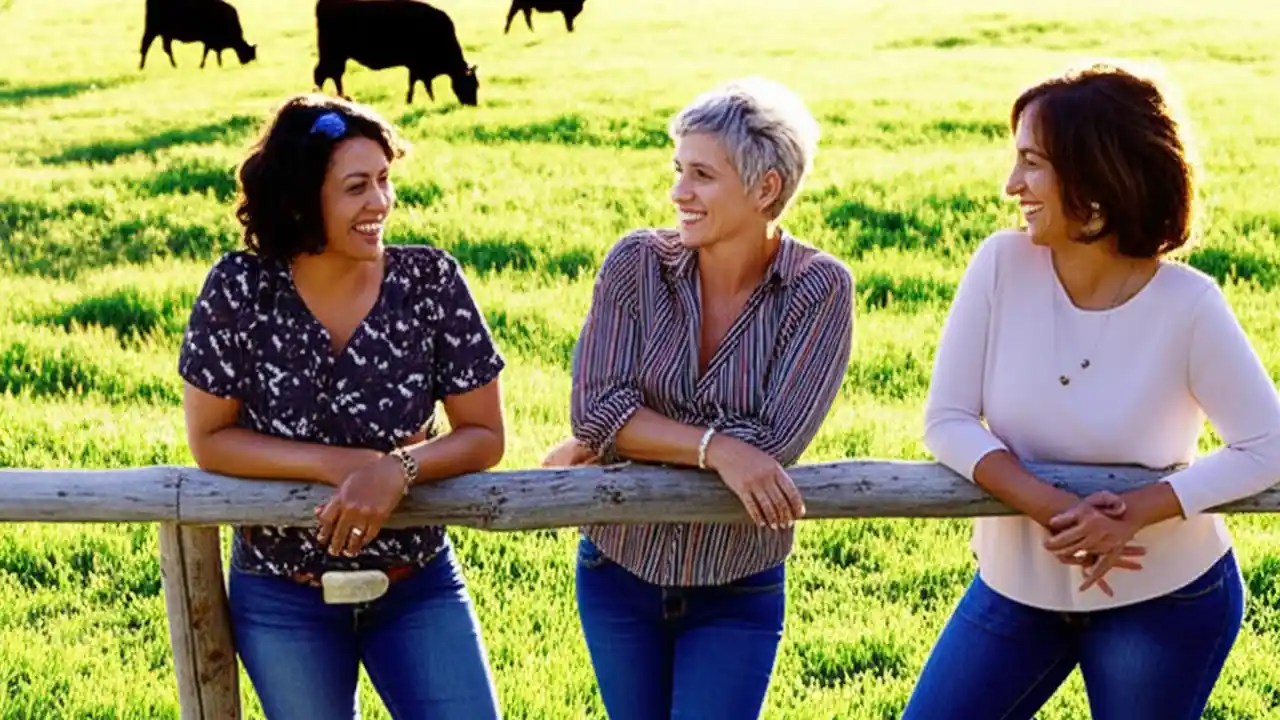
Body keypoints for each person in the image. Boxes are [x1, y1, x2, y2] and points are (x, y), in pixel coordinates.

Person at [903, 62, 1280, 719]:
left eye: (1031, 163)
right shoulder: (1000, 264)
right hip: (1017, 587)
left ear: (1098, 177)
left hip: (1164, 598)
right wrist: (1054, 508)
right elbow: (947, 420)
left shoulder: (1189, 304)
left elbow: (1269, 444)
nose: (1010, 185)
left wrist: (1134, 513)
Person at [178, 94, 505, 719]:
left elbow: (484, 434)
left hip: (417, 584)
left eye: (385, 181)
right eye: (357, 187)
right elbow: (212, 439)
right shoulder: (239, 289)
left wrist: (396, 469)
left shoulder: (430, 283)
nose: (380, 203)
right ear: (302, 199)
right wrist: (341, 465)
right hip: (282, 594)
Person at [543, 77, 854, 719]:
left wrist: (628, 435)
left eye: (702, 175)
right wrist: (715, 447)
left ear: (766, 188)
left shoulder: (819, 288)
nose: (678, 192)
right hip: (617, 569)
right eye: (678, 170)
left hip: (738, 585)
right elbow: (596, 408)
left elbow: (773, 443)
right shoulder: (635, 262)